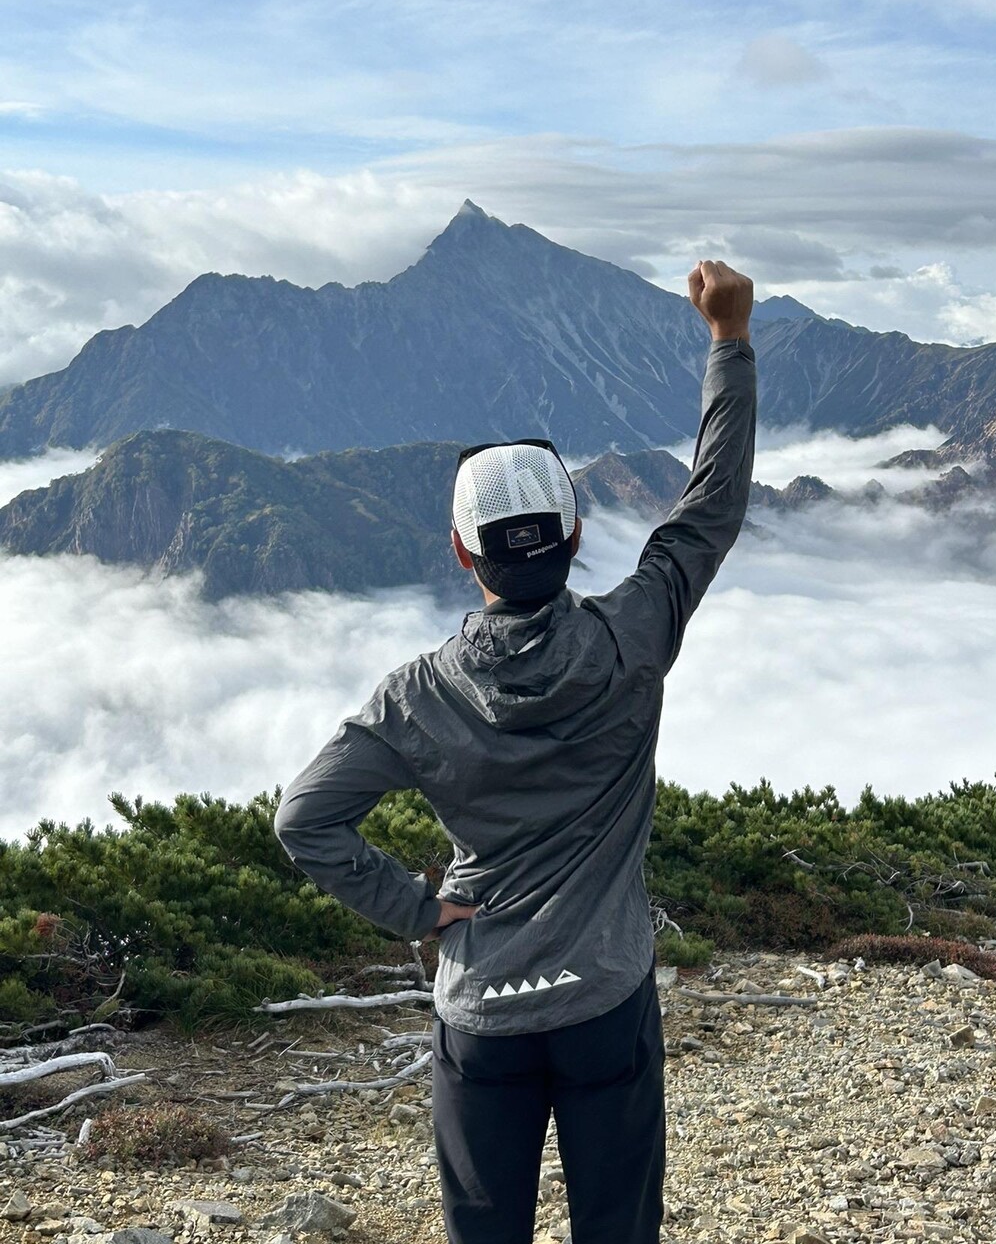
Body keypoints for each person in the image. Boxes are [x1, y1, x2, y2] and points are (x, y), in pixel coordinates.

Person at [274, 258, 756, 1244]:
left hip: (482, 1016)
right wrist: (729, 342)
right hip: (605, 1002)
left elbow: (305, 819)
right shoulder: (636, 632)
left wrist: (416, 910)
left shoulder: (417, 697)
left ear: (462, 552)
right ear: (578, 534)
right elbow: (713, 502)